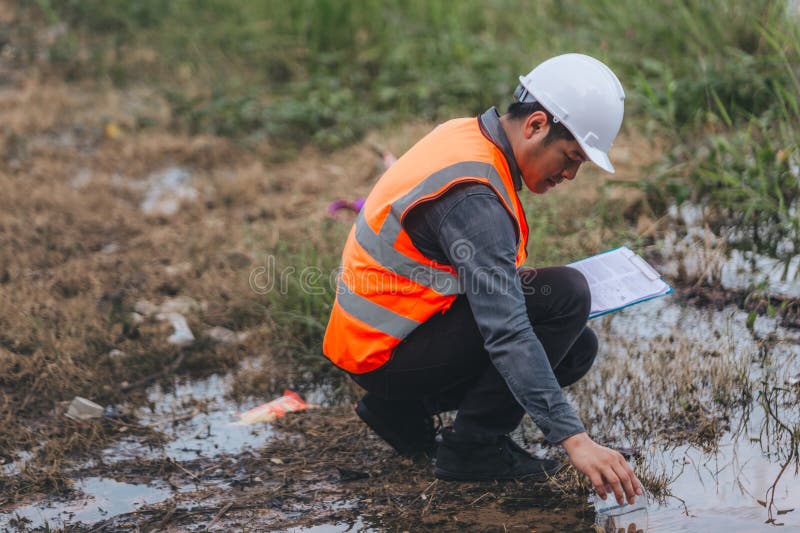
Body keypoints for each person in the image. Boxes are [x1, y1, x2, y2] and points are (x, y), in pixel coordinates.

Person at [322, 53, 643, 506]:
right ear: (535, 125)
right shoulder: (474, 196)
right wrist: (575, 440)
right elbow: (506, 330)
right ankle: (472, 449)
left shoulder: (466, 135)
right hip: (384, 355)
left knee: (577, 347)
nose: (570, 175)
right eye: (571, 157)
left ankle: (398, 410)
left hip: (382, 341)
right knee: (566, 296)